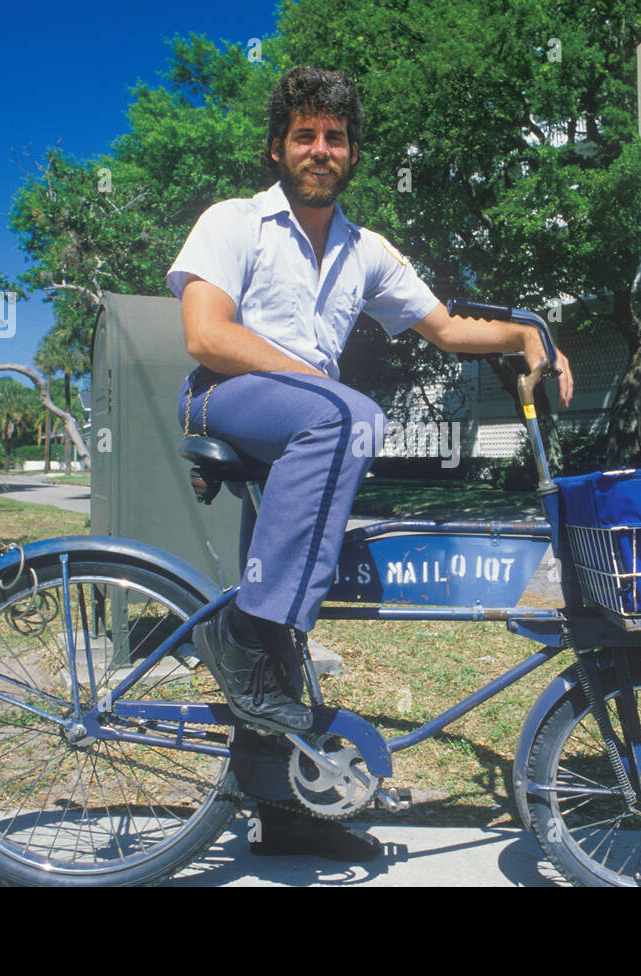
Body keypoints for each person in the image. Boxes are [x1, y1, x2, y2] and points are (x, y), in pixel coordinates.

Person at [166, 66, 573, 859]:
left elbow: (449, 329)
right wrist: (316, 383)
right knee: (351, 413)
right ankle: (241, 636)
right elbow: (206, 335)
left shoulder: (366, 251)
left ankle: (288, 810)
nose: (321, 149)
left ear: (352, 153)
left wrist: (529, 335)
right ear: (278, 146)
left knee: (300, 536)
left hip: (301, 428)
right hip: (225, 396)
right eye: (305, 135)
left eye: (336, 137)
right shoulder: (235, 222)